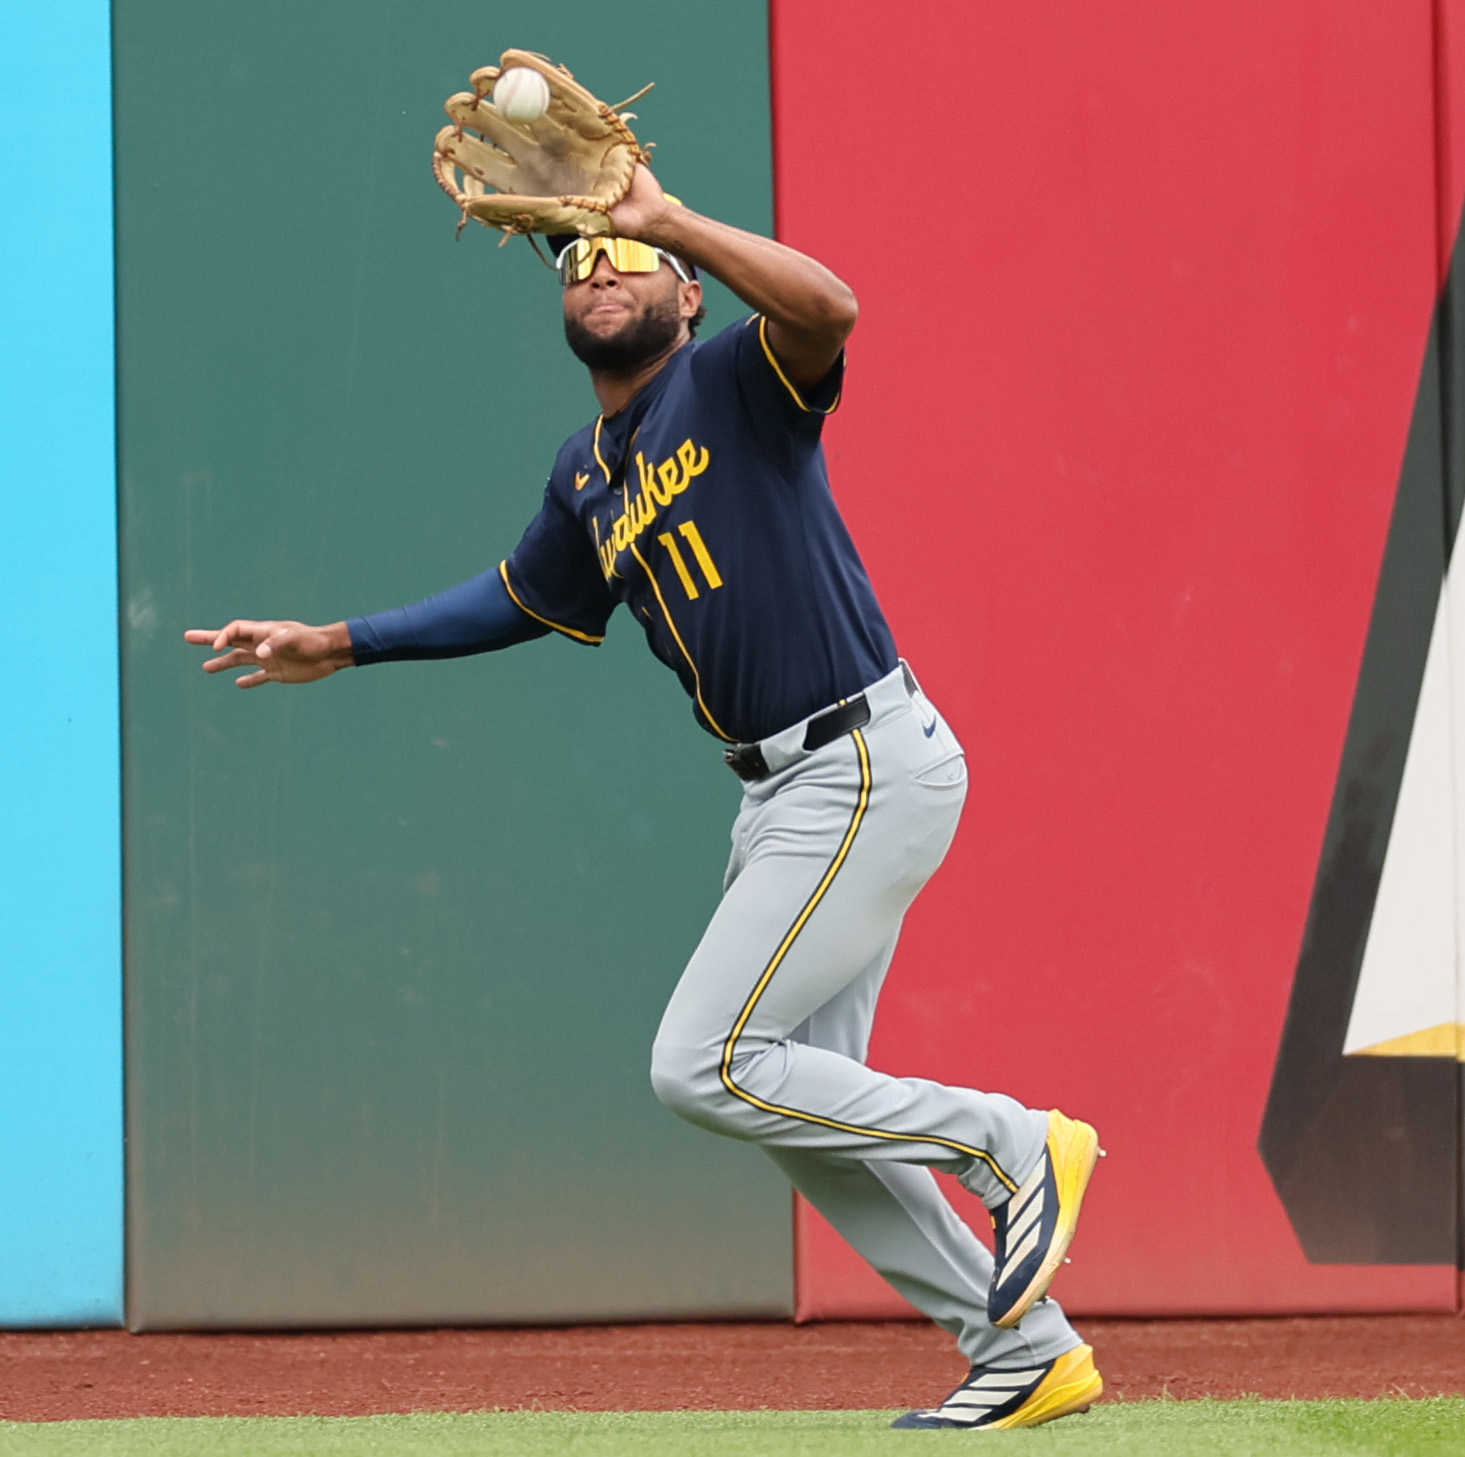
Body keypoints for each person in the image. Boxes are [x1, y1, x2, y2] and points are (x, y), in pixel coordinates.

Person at [186, 163, 1103, 1431]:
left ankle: (1002, 1140)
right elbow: (519, 596)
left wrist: (666, 217)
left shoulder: (731, 380)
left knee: (702, 1063)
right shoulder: (588, 473)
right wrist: (339, 641)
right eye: (576, 265)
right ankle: (1021, 1348)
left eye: (621, 259)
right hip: (780, 799)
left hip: (857, 761)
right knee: (793, 1104)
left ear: (681, 291)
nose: (597, 270)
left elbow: (829, 308)